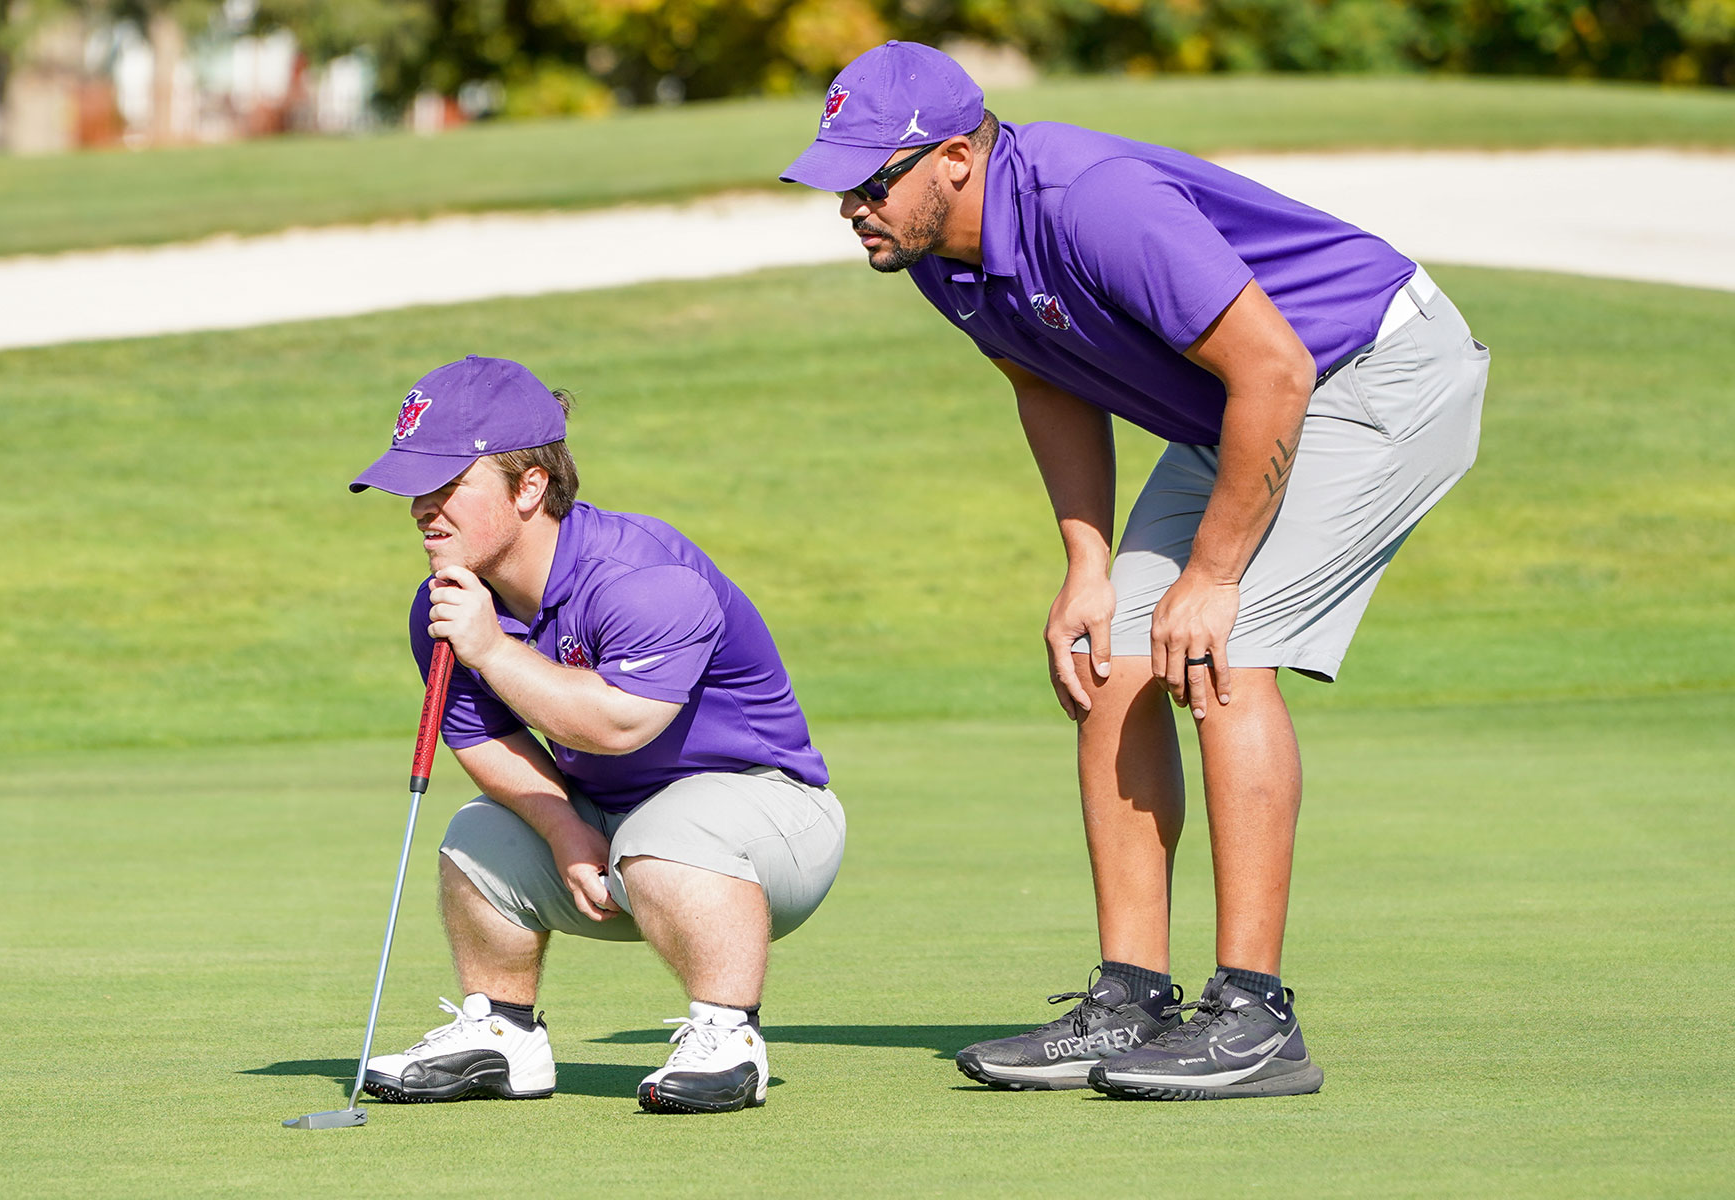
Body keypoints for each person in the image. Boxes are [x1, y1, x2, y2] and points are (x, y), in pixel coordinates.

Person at [781, 42, 1487, 1100]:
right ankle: (1130, 999)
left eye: (874, 179)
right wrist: (1087, 563)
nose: (854, 206)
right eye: (841, 183)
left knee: (1221, 648)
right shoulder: (936, 255)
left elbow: (1276, 366)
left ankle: (1255, 1019)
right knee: (1113, 660)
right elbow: (1045, 378)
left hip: (1366, 367)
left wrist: (1211, 572)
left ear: (958, 160)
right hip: (1236, 406)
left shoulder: (1092, 202)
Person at [347, 355, 845, 1114]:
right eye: (415, 488)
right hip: (616, 830)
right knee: (478, 836)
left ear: (530, 486)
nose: (422, 509)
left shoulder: (641, 575)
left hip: (771, 817)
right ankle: (501, 1035)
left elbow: (620, 722)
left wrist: (489, 648)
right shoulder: (450, 607)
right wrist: (560, 828)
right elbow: (483, 740)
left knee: (669, 833)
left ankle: (727, 1036)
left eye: (446, 486)